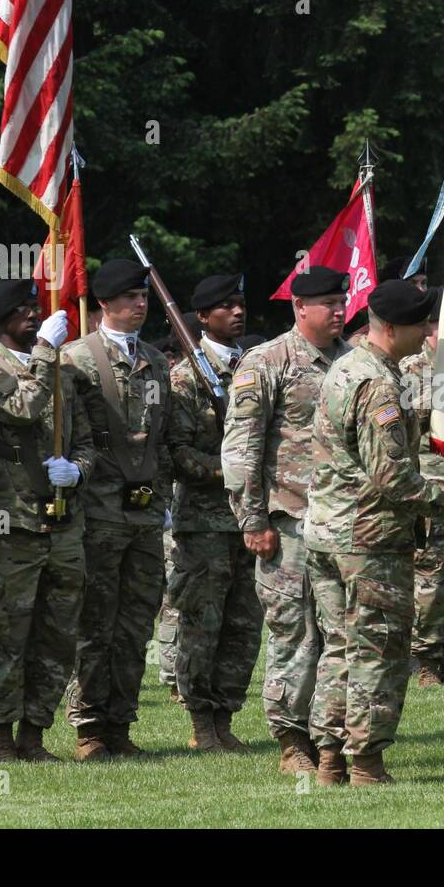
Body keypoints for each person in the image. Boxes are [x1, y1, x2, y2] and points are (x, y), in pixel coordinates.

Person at [304, 279, 444, 786]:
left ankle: (331, 758)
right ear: (394, 328)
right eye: (422, 324)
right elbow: (393, 477)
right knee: (377, 650)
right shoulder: (378, 382)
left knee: (339, 648)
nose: (428, 333)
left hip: (329, 534)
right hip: (369, 539)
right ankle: (367, 762)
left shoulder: (347, 367)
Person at [222, 265, 351, 775]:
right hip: (289, 521)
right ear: (300, 308)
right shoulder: (267, 361)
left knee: (341, 633)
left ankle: (334, 737)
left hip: (342, 523)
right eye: (329, 304)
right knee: (293, 634)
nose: (340, 311)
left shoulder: (354, 363)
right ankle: (292, 739)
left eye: (343, 302)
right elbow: (242, 448)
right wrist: (251, 519)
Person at [0, 281, 90, 763]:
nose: (32, 317)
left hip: (62, 523)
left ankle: (34, 735)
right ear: (1, 321)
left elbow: (85, 440)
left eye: (34, 311)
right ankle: (2, 739)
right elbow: (22, 409)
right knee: (8, 634)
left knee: (57, 635)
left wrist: (79, 469)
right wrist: (44, 349)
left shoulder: (60, 373)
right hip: (11, 523)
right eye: (21, 312)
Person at [62, 258, 173, 760]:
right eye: (129, 298)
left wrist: (164, 495)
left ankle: (120, 726)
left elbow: (163, 437)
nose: (139, 305)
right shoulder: (76, 359)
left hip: (145, 512)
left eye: (144, 297)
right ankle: (89, 728)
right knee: (95, 623)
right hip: (96, 509)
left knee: (135, 624)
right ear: (103, 303)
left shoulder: (156, 360)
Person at [167, 273, 262, 752]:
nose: (237, 312)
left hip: (251, 518)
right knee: (201, 623)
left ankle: (226, 715)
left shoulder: (255, 366)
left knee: (244, 623)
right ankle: (201, 723)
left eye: (241, 304)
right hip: (204, 521)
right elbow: (178, 453)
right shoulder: (184, 376)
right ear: (202, 317)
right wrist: (233, 471)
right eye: (225, 307)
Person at [400, 289, 444, 686]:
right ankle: (424, 657)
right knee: (430, 576)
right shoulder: (413, 368)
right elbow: (413, 421)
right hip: (432, 484)